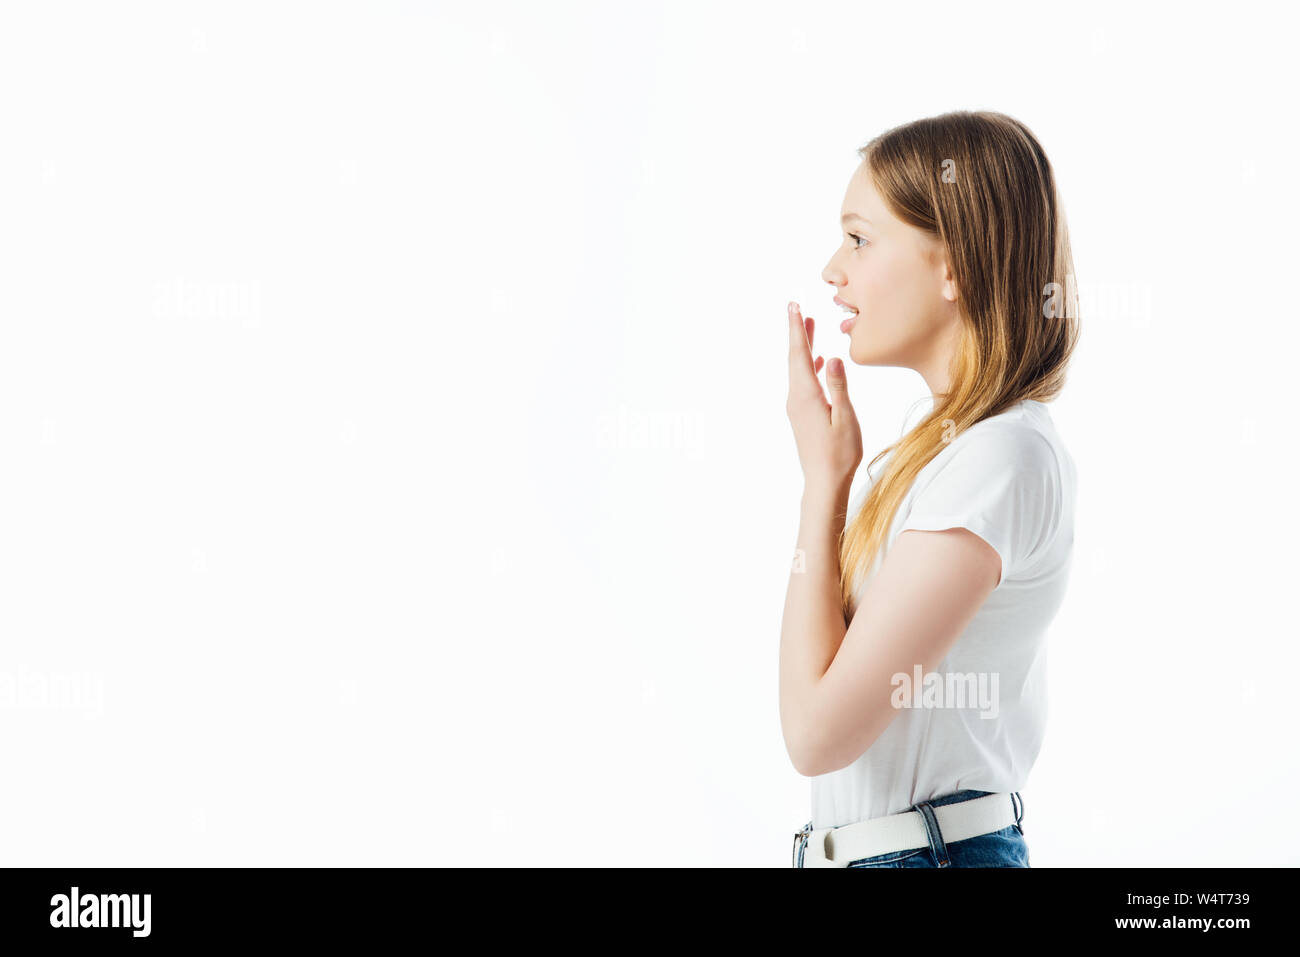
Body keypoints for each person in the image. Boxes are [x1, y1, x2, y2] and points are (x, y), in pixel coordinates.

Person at [782, 110, 1078, 868]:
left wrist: (823, 498)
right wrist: (828, 481)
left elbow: (816, 733)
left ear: (953, 266)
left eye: (859, 238)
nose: (831, 270)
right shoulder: (938, 459)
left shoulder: (999, 456)